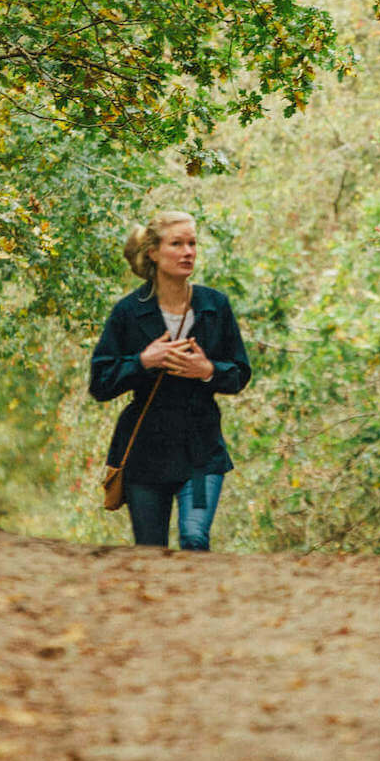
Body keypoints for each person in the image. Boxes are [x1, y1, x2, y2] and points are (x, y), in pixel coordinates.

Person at [90, 210, 251, 550]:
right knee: (151, 553)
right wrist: (143, 361)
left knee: (195, 538)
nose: (188, 252)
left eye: (192, 243)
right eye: (177, 244)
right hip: (145, 456)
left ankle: (200, 604)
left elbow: (239, 373)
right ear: (153, 252)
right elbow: (100, 382)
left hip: (201, 453)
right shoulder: (128, 311)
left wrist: (208, 371)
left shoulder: (214, 306)